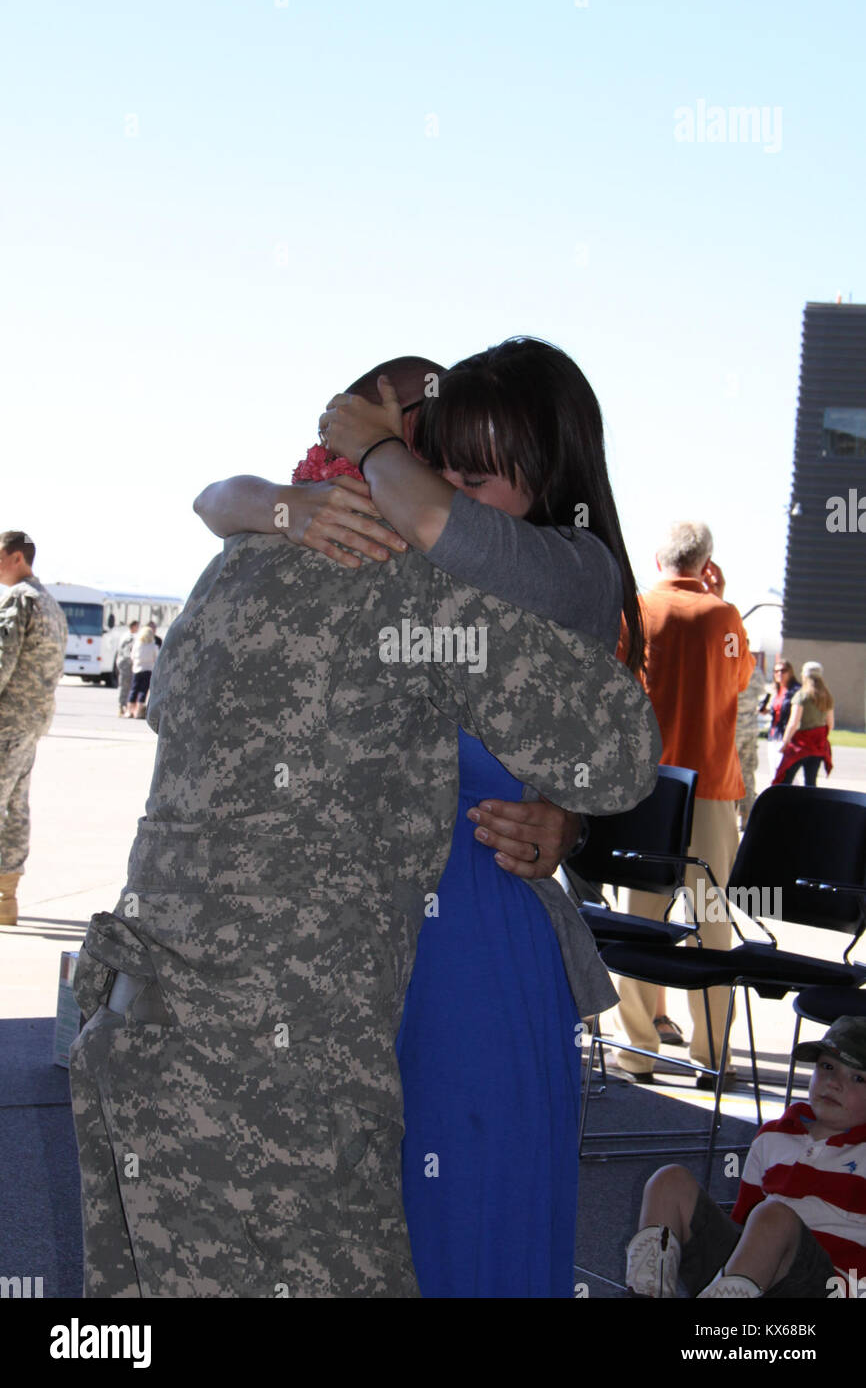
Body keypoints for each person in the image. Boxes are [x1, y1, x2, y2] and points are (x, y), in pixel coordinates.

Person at [69, 353, 659, 1298]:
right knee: (360, 1225)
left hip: (471, 941)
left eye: (474, 474)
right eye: (440, 463)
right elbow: (220, 499)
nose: (442, 494)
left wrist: (569, 824)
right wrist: (276, 503)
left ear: (552, 477)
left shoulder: (563, 566)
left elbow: (610, 757)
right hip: (362, 965)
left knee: (463, 1227)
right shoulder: (387, 561)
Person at [613, 521, 755, 1088]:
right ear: (707, 562)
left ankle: (638, 1050)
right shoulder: (723, 617)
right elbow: (741, 677)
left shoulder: (639, 610)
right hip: (712, 787)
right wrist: (718, 601)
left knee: (638, 921)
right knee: (711, 923)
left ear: (656, 558)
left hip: (649, 789)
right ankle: (712, 1054)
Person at [624, 1015, 866, 1298]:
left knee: (773, 1215)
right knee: (668, 1180)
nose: (834, 1083)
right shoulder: (772, 1137)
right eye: (827, 1067)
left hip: (828, 1286)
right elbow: (745, 1220)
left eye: (858, 1078)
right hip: (751, 1276)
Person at [0, 531, 67, 926]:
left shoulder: (20, 600)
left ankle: (6, 898)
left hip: (7, 720)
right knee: (15, 806)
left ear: (17, 558)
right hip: (30, 720)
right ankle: (7, 897)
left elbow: (2, 664)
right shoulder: (50, 604)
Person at [773, 660, 834, 787]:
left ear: (804, 675)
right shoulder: (827, 696)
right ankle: (810, 806)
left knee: (785, 779)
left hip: (800, 745)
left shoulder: (802, 695)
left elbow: (793, 723)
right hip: (817, 746)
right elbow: (830, 724)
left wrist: (785, 743)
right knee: (811, 782)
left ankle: (782, 805)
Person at [735, 660, 768, 830]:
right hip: (750, 726)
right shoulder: (754, 669)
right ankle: (746, 818)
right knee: (747, 774)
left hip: (733, 726)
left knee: (730, 774)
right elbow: (761, 692)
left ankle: (732, 817)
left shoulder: (730, 666)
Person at [762, 657, 800, 780]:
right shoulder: (775, 690)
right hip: (774, 735)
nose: (779, 674)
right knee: (774, 772)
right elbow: (777, 710)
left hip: (788, 737)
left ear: (790, 672)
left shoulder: (796, 691)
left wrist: (786, 740)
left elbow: (795, 716)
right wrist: (766, 710)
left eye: (783, 671)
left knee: (785, 774)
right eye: (776, 671)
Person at [128, 624, 157, 719]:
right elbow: (156, 658)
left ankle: (129, 711)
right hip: (148, 669)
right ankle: (138, 711)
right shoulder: (153, 646)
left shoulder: (137, 644)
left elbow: (132, 656)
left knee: (134, 689)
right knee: (143, 690)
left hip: (137, 669)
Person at [116, 620, 139, 717]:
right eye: (137, 626)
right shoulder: (130, 637)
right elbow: (127, 652)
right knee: (125, 686)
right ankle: (122, 706)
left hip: (123, 662)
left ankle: (123, 706)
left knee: (126, 686)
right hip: (126, 663)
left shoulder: (125, 635)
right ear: (133, 626)